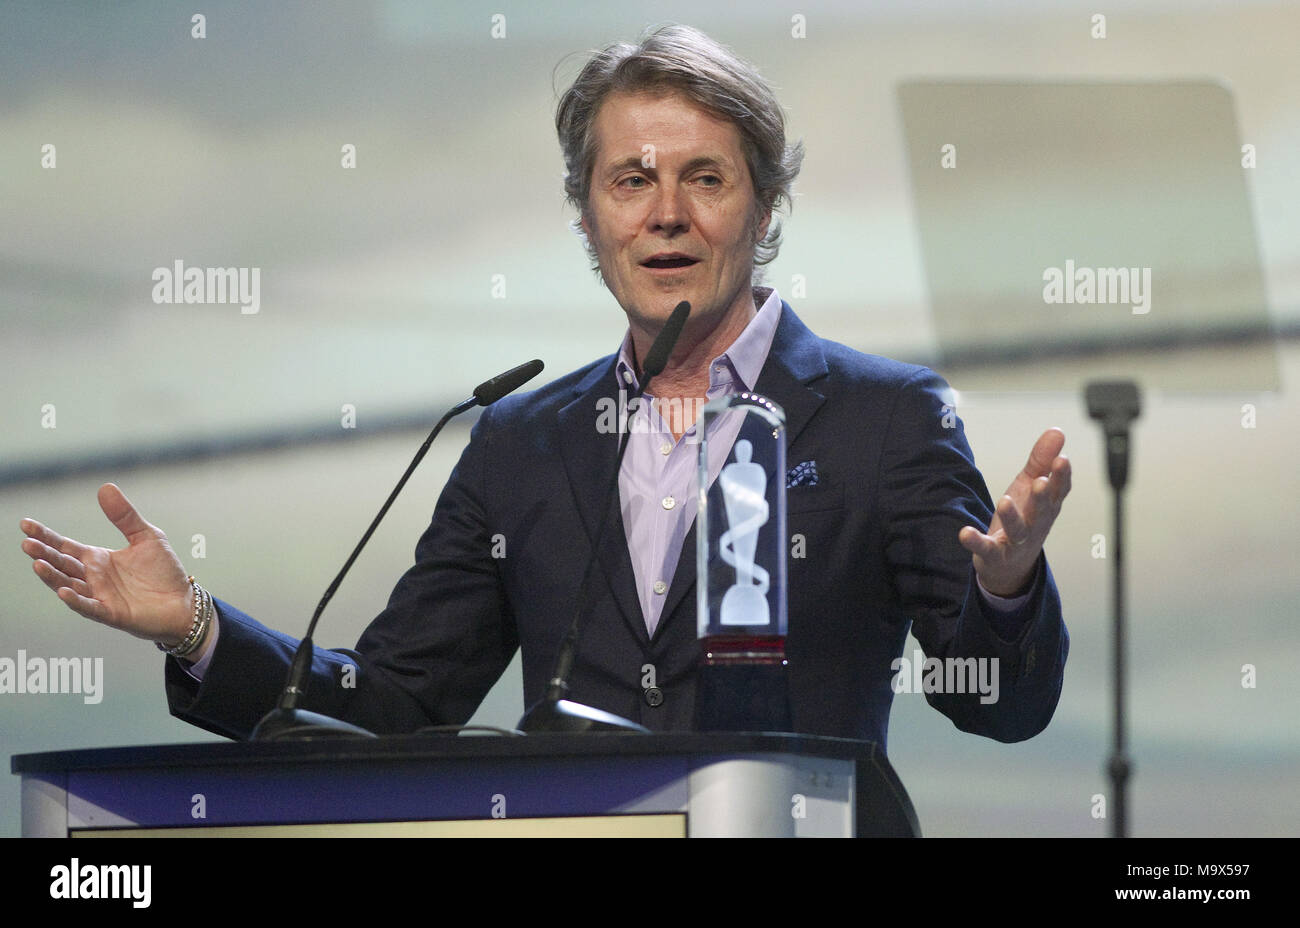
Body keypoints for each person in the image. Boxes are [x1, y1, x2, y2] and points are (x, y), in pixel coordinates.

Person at [18, 25, 1071, 747]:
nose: (666, 213)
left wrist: (1006, 587)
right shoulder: (520, 439)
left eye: (704, 178)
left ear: (764, 209)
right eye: (630, 180)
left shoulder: (885, 417)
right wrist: (193, 625)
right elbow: (395, 705)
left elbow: (1000, 708)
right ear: (587, 217)